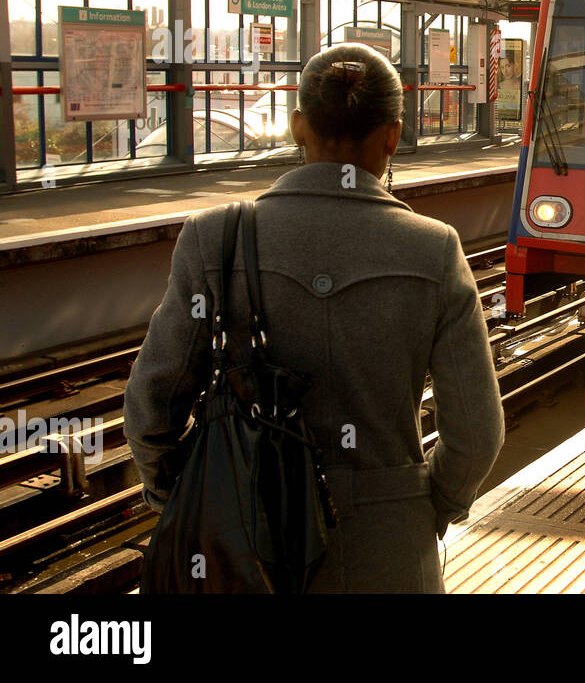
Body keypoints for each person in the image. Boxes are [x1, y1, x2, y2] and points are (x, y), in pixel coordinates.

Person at [125, 43, 505, 593]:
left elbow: (151, 408)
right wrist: (420, 508)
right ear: (393, 134)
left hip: (242, 547)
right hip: (388, 549)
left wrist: (186, 496)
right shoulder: (434, 251)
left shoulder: (215, 238)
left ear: (299, 126)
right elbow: (476, 436)